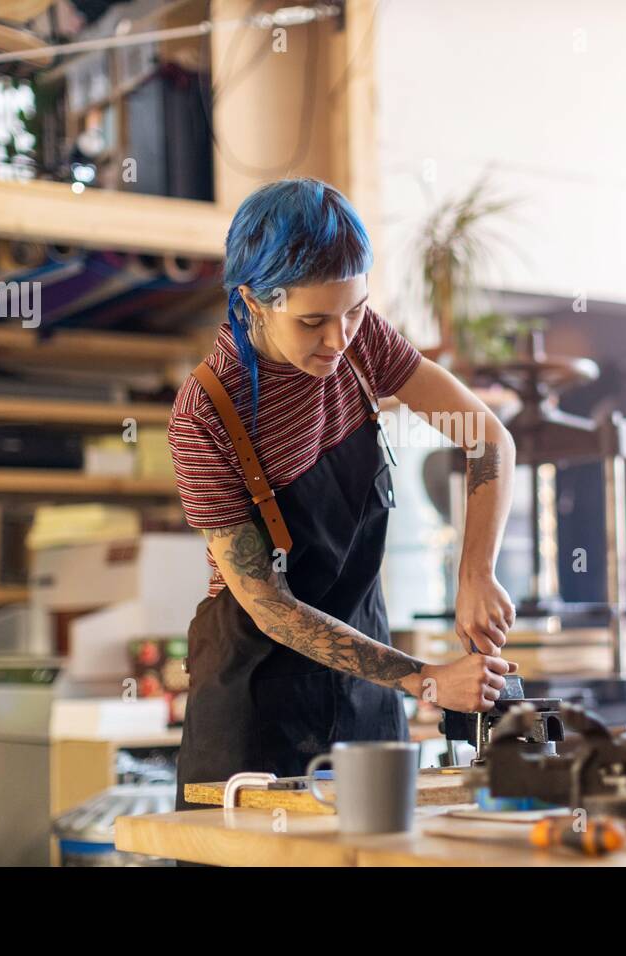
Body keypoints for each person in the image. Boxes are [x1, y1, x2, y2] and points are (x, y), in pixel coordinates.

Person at [168, 178, 518, 806]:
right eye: (312, 321)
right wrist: (427, 681)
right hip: (256, 702)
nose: (339, 339)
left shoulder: (363, 346)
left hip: (365, 695)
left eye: (354, 310)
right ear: (251, 300)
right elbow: (269, 605)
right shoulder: (205, 415)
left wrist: (476, 571)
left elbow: (486, 437)